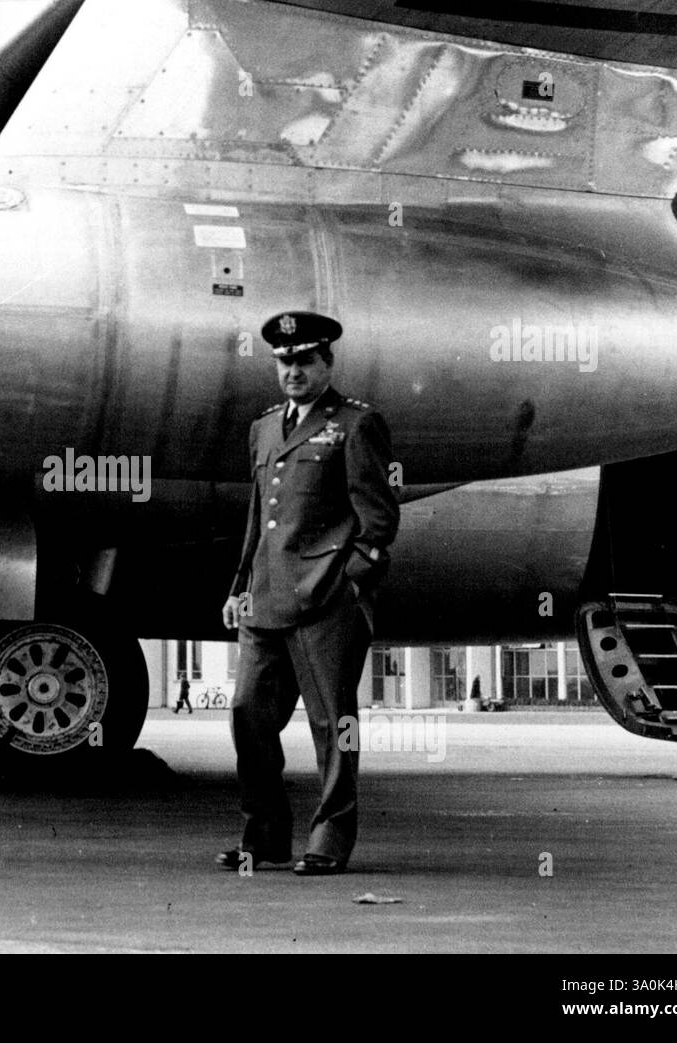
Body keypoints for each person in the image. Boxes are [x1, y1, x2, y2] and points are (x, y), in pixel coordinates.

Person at [218, 311, 399, 876]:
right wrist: (238, 588)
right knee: (248, 715)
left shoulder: (356, 424)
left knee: (332, 725)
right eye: (284, 362)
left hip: (326, 604)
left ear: (327, 364)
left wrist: (352, 581)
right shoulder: (264, 428)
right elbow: (258, 518)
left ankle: (329, 839)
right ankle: (266, 835)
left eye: (304, 361)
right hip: (265, 600)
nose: (293, 371)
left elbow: (378, 519)